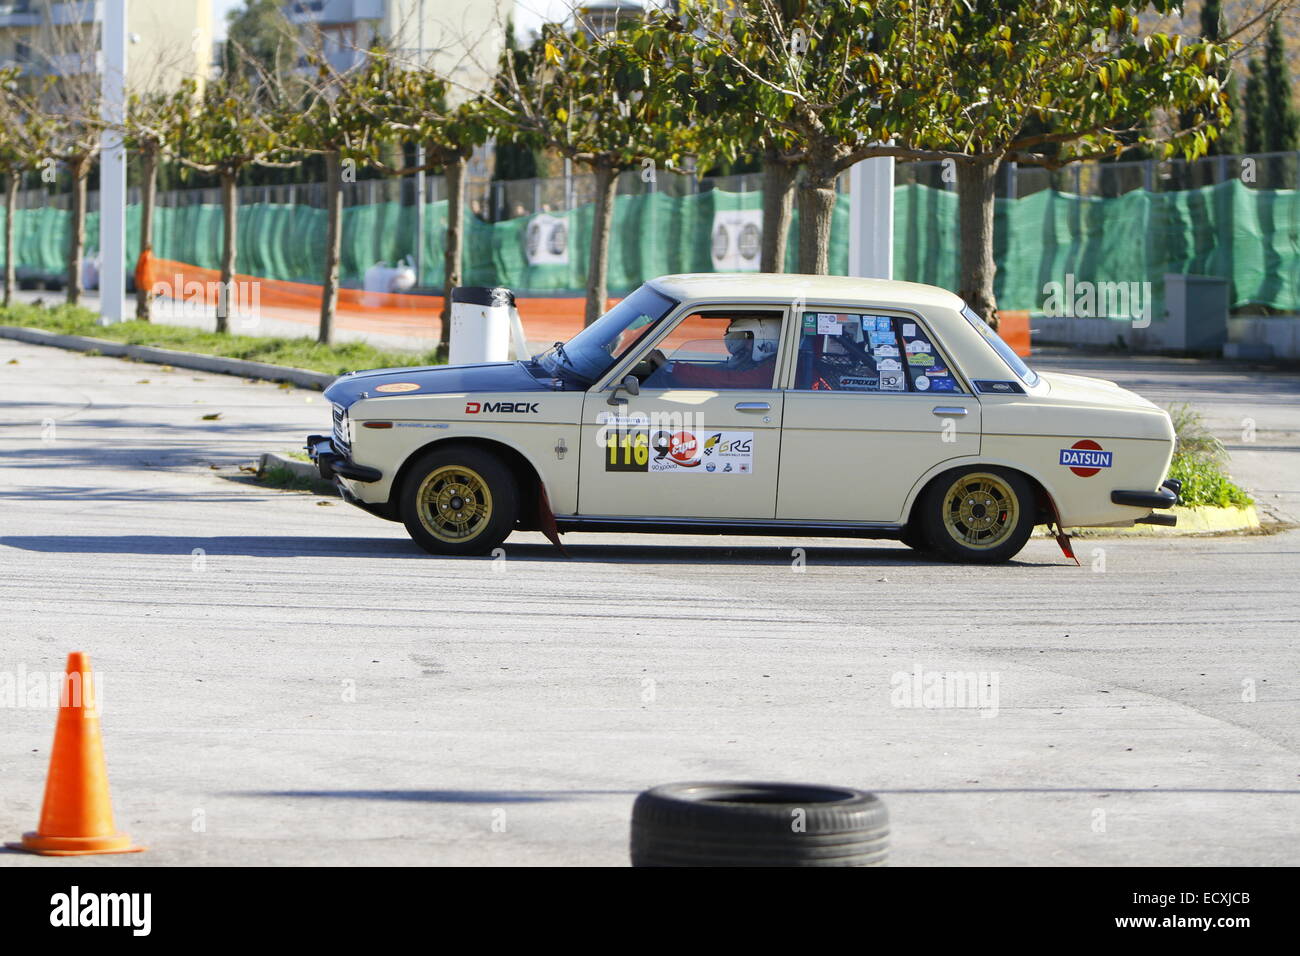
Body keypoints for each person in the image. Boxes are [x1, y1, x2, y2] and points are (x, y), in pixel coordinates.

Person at [647, 317, 781, 388]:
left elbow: (728, 380)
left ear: (766, 336)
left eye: (747, 338)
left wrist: (670, 367)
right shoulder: (762, 363)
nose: (742, 345)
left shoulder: (773, 370)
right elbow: (724, 371)